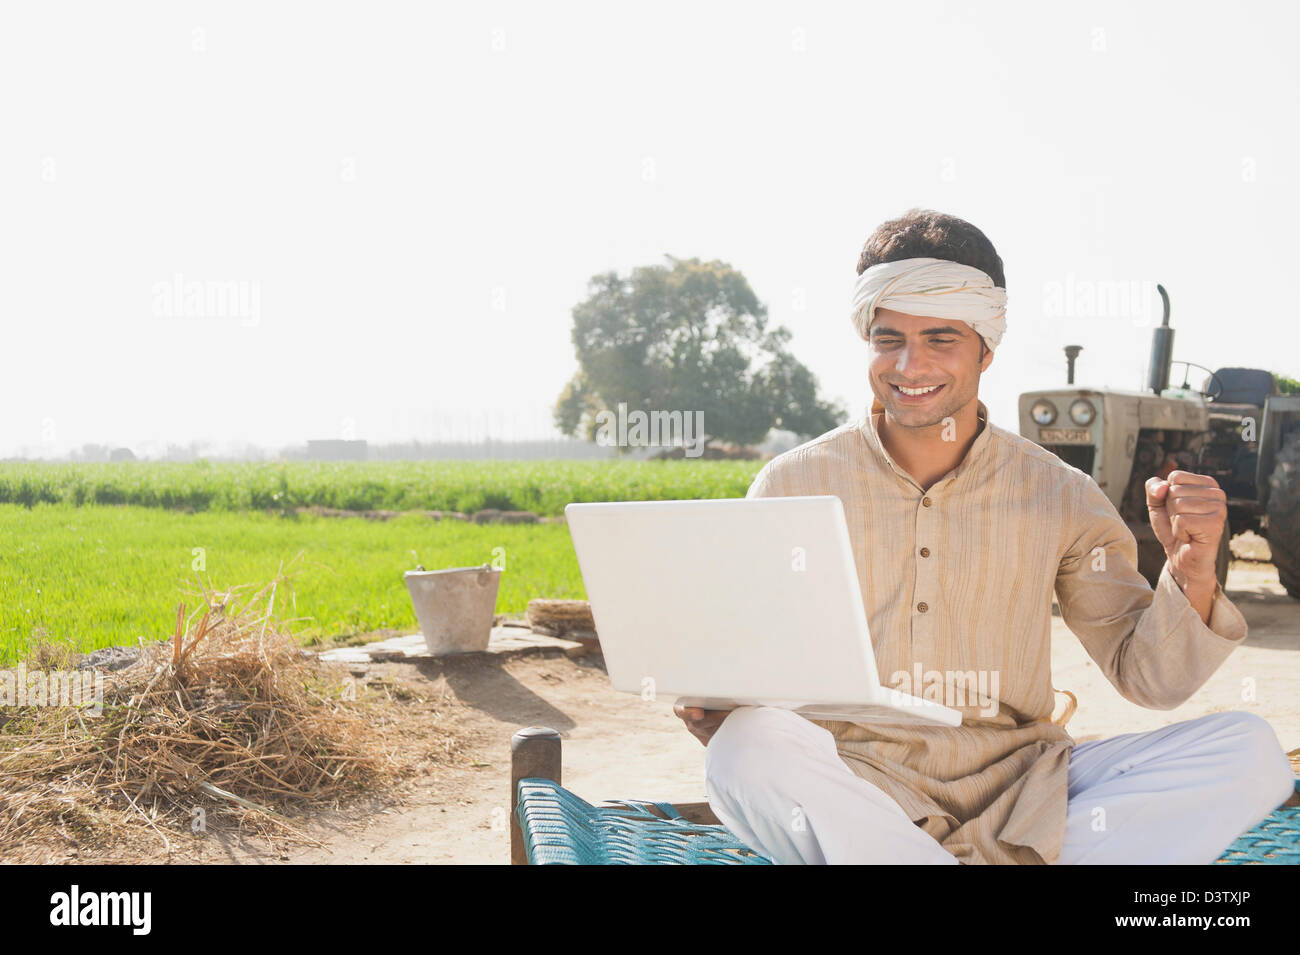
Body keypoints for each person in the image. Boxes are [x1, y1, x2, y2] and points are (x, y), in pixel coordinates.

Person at [675, 208, 1295, 864]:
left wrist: (1192, 569)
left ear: (987, 346)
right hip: (856, 787)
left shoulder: (1060, 492)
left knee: (1249, 752)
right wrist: (720, 703)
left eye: (940, 338)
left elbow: (1151, 681)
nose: (909, 364)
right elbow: (751, 667)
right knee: (743, 751)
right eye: (889, 339)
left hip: (1025, 789)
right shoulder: (790, 482)